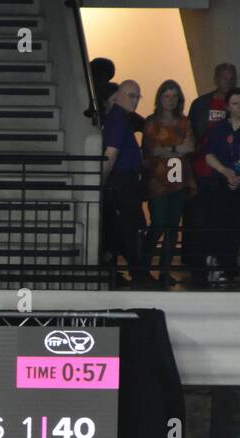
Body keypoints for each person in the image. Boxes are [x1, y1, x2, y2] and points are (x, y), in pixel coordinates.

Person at [202, 87, 240, 285]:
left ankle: (225, 264)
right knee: (221, 224)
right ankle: (225, 267)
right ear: (228, 106)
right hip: (221, 182)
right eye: (235, 103)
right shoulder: (219, 128)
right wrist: (225, 172)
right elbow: (209, 155)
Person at [184, 62, 238, 286]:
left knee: (223, 220)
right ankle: (198, 266)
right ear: (216, 79)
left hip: (225, 173)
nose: (228, 82)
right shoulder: (201, 104)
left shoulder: (237, 104)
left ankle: (222, 265)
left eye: (231, 78)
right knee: (198, 220)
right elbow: (191, 133)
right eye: (225, 77)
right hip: (201, 170)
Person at [142, 79, 194, 286]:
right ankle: (143, 268)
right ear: (160, 98)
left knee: (173, 227)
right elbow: (151, 150)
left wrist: (168, 150)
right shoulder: (151, 122)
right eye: (166, 95)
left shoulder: (184, 121)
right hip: (157, 180)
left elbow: (190, 146)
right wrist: (176, 149)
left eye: (174, 96)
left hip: (179, 179)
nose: (170, 100)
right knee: (158, 225)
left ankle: (165, 271)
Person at [101, 80, 147, 285]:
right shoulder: (118, 120)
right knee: (131, 228)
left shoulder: (121, 119)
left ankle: (125, 273)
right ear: (118, 96)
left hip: (124, 181)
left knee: (123, 229)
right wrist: (100, 184)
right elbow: (110, 154)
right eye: (131, 96)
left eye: (138, 97)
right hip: (121, 183)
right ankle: (137, 274)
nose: (135, 101)